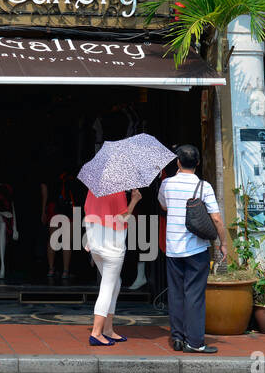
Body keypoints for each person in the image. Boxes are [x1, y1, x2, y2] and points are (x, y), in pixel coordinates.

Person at [158, 144, 235, 354]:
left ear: (178, 162)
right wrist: (223, 244)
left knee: (175, 294)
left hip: (173, 249)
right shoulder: (204, 186)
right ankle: (194, 341)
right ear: (198, 163)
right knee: (195, 295)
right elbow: (217, 219)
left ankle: (177, 338)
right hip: (197, 249)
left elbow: (164, 206)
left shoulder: (166, 184)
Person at [84, 186, 141, 346]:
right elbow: (123, 218)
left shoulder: (93, 188)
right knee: (108, 286)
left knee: (115, 284)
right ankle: (96, 332)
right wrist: (134, 201)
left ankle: (107, 329)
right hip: (112, 246)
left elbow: (87, 210)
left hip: (95, 243)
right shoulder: (118, 191)